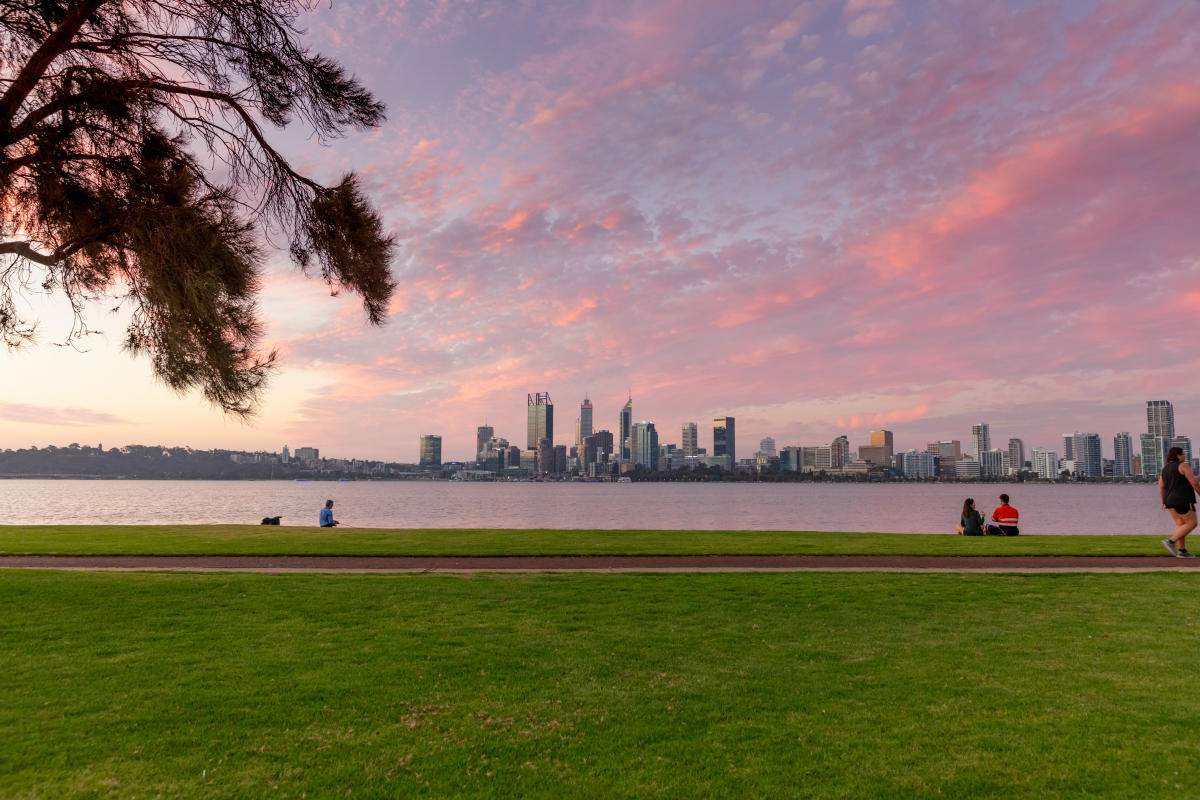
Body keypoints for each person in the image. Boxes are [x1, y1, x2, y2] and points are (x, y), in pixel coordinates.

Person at [1160, 447, 1200, 558]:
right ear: (1177, 455)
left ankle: (1182, 551)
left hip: (1169, 501)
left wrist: (1163, 501)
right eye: (1183, 454)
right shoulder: (1183, 466)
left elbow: (1161, 486)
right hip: (1183, 500)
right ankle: (1171, 541)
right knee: (1192, 523)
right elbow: (1194, 483)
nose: (1185, 456)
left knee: (1180, 524)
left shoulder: (1165, 469)